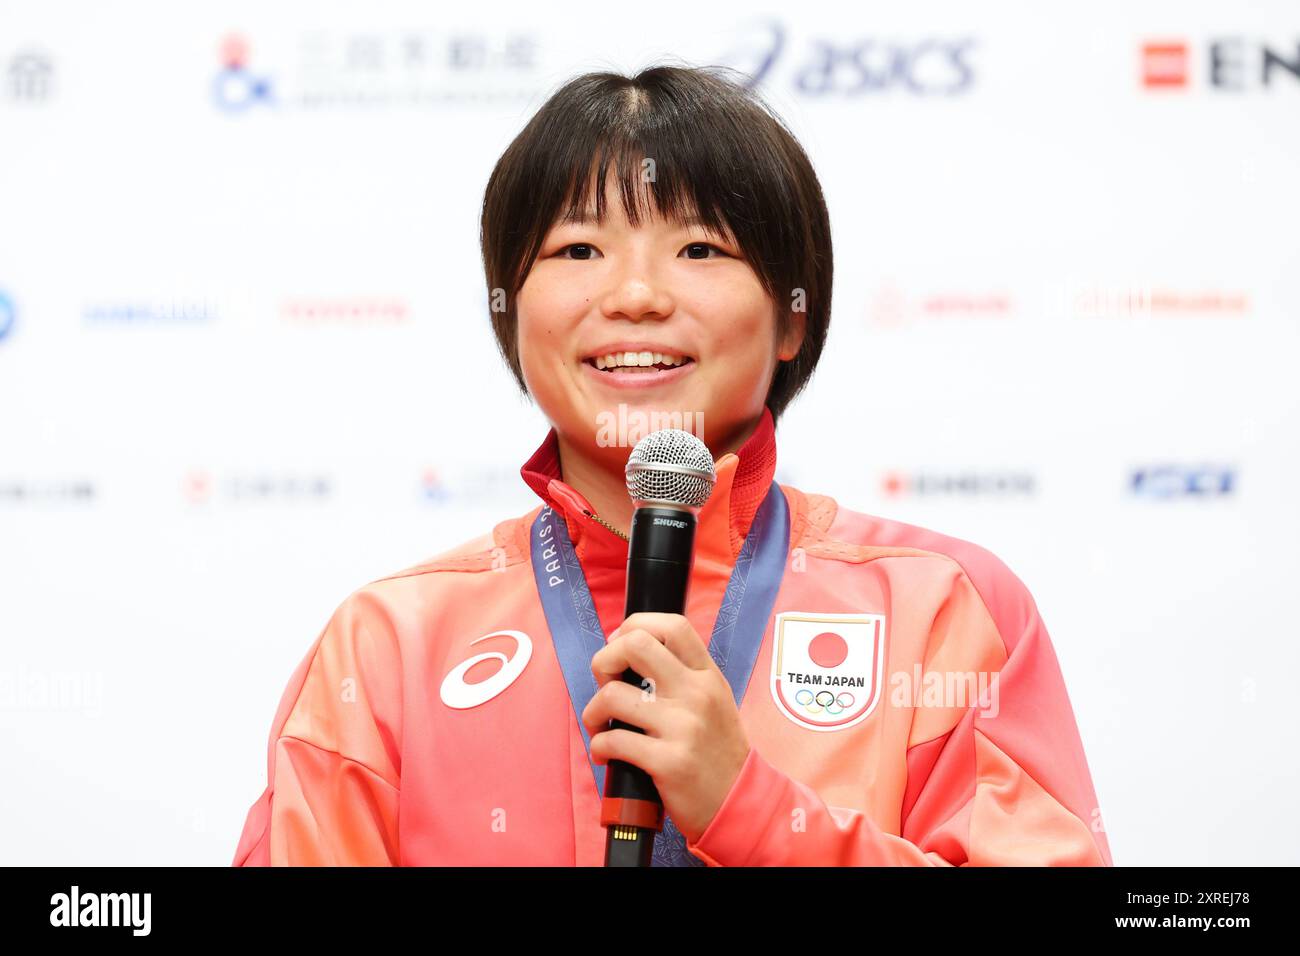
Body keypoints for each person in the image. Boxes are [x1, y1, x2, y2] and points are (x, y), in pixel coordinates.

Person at [232, 64, 1113, 866]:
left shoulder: (940, 610)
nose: (637, 295)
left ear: (794, 315)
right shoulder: (389, 642)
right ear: (510, 311)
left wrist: (750, 807)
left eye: (700, 249)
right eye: (578, 250)